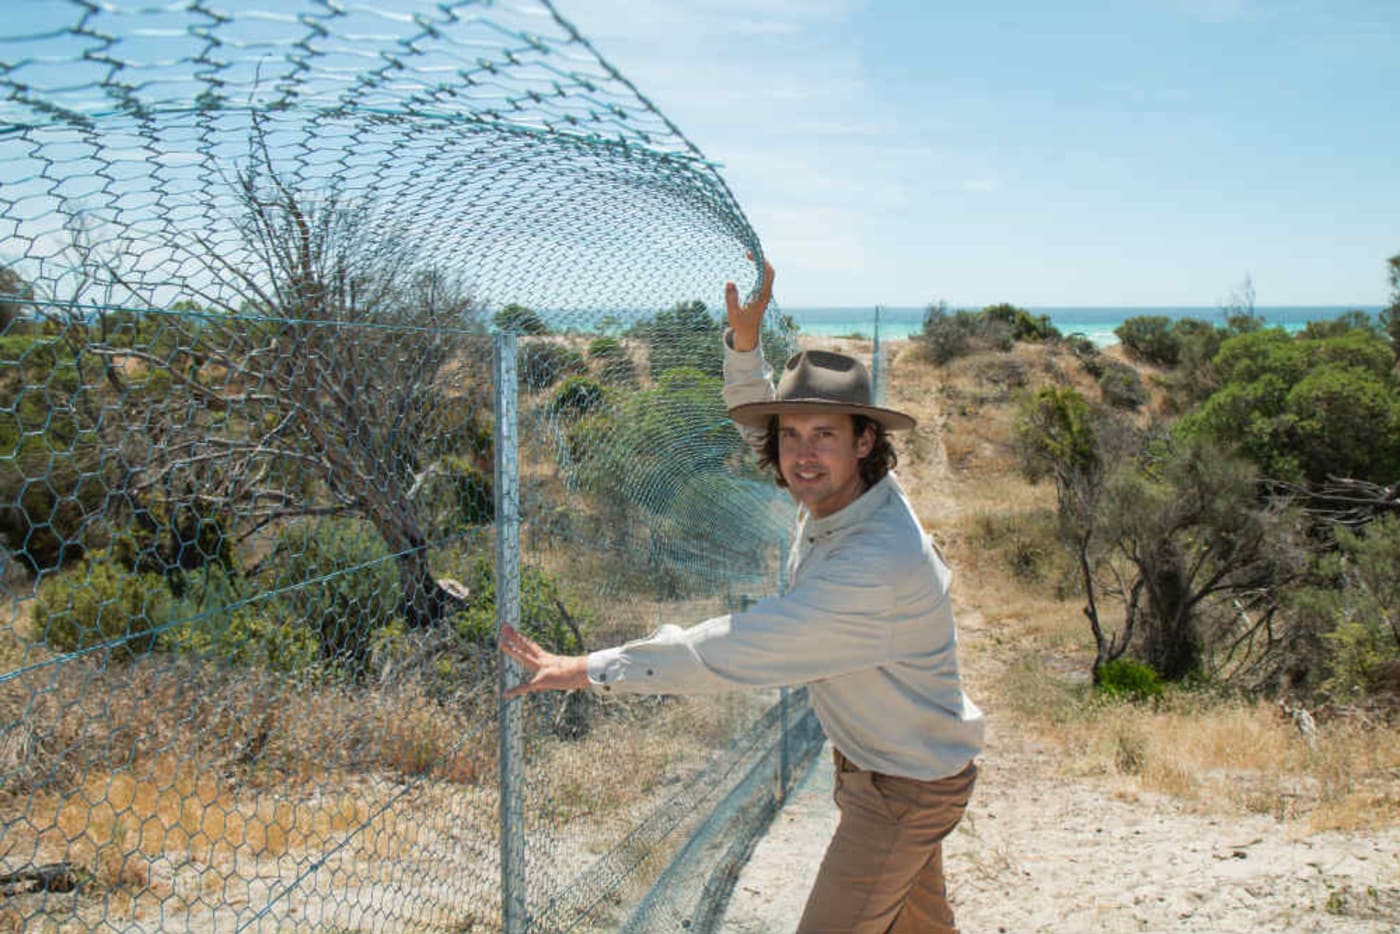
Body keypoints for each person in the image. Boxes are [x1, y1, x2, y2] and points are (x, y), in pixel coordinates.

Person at [499, 258, 985, 933]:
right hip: (894, 766)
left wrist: (581, 669)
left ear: (866, 439)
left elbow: (721, 653)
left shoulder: (872, 563)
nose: (801, 455)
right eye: (792, 435)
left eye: (824, 436)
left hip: (903, 788)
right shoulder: (856, 492)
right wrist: (747, 349)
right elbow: (758, 425)